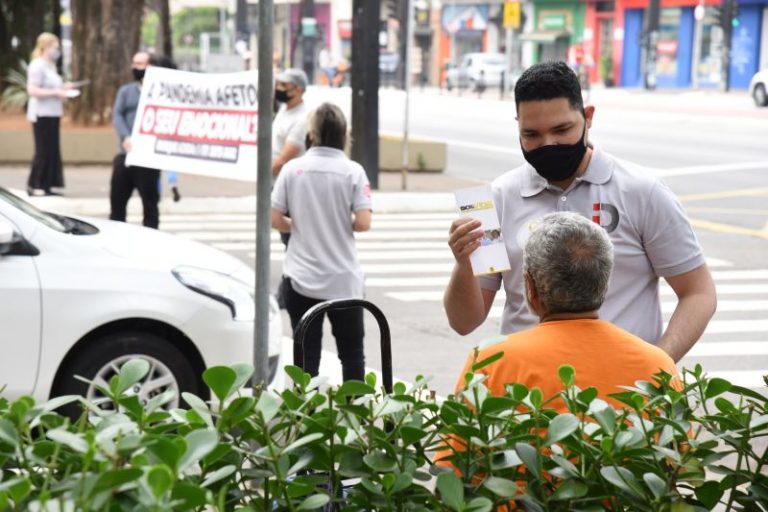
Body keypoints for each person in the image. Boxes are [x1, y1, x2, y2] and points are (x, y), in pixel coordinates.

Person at [445, 61, 716, 363]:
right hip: (526, 391)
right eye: (531, 134)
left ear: (588, 117)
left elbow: (699, 293)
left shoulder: (643, 191)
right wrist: (463, 264)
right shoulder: (495, 198)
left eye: (562, 129)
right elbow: (464, 322)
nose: (548, 144)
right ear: (517, 126)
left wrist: (658, 364)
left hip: (622, 394)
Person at [435, 213, 681, 468]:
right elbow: (678, 466)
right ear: (604, 284)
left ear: (530, 287)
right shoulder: (658, 365)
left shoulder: (492, 361)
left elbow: (453, 469)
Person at [271, 103, 372, 382]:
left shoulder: (292, 170)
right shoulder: (354, 172)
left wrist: (300, 224)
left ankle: (306, 418)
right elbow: (363, 222)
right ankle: (355, 413)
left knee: (306, 359)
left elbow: (275, 218)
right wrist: (339, 223)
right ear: (343, 134)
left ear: (311, 134)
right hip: (344, 281)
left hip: (301, 278)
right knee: (352, 355)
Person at [110, 50, 161, 229]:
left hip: (148, 159)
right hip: (126, 154)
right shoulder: (126, 91)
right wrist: (125, 136)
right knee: (117, 204)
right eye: (134, 64)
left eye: (140, 64)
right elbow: (117, 115)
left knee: (150, 205)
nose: (135, 68)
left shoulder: (160, 92)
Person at [26, 32, 75, 197]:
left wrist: (64, 88)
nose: (57, 50)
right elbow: (32, 90)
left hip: (54, 112)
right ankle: (35, 184)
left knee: (52, 148)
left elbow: (54, 87)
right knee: (43, 149)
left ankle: (48, 184)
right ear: (45, 47)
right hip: (41, 113)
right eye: (55, 47)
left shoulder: (51, 65)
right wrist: (56, 92)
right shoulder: (37, 65)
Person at [272, 68, 309, 177]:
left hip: (281, 183)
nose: (278, 88)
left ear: (298, 90)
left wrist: (263, 175)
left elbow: (282, 161)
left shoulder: (301, 120)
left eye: (284, 85)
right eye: (278, 84)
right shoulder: (284, 108)